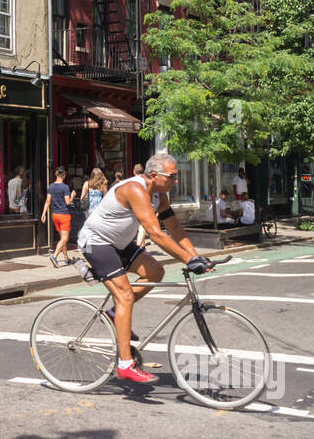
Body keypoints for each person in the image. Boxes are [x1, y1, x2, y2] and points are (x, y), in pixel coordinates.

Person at [77, 153, 211, 384]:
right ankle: (125, 365)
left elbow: (175, 229)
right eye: (172, 176)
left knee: (156, 271)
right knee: (125, 296)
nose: (175, 181)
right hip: (96, 242)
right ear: (153, 175)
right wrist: (188, 261)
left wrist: (196, 256)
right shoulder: (135, 190)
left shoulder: (160, 195)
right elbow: (157, 234)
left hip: (119, 243)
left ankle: (112, 314)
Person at [41, 167, 75, 267]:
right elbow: (68, 202)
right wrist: (72, 195)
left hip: (55, 215)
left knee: (61, 238)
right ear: (64, 175)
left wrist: (43, 213)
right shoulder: (65, 187)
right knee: (65, 238)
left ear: (56, 174)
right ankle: (54, 256)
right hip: (64, 215)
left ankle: (66, 258)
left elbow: (48, 201)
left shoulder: (50, 186)